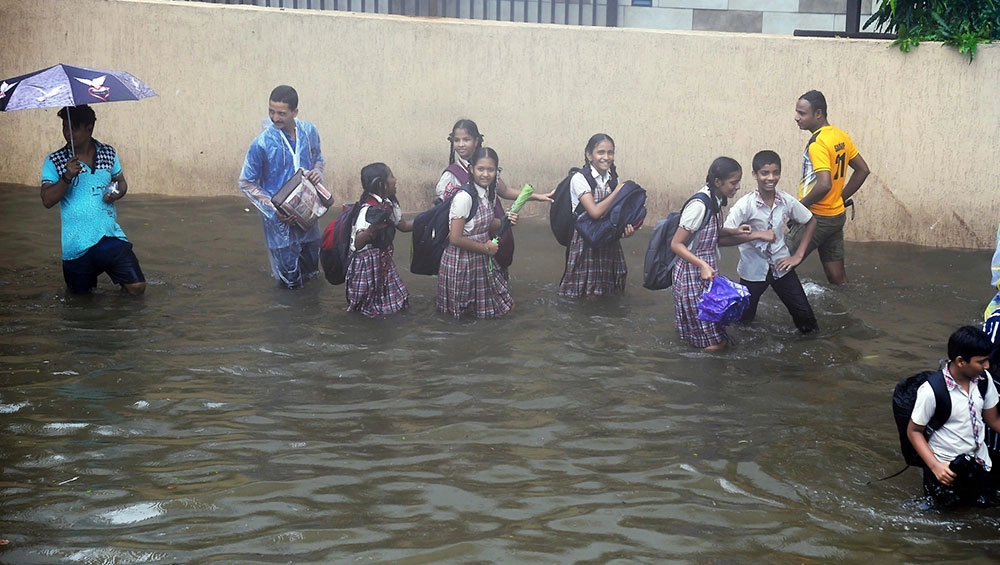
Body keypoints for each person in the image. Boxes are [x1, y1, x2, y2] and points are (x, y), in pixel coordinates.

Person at [39, 105, 146, 296]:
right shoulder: (54, 160)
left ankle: (117, 325)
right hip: (76, 246)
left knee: (136, 287)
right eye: (64, 127)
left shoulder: (108, 153)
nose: (67, 133)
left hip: (109, 236)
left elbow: (120, 183)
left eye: (74, 128)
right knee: (81, 304)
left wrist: (115, 192)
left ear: (89, 128)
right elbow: (47, 200)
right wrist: (66, 176)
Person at [239, 85, 327, 289]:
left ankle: (308, 319)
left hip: (307, 212)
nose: (275, 118)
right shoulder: (262, 143)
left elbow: (318, 159)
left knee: (312, 274)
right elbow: (246, 182)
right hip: (279, 220)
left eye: (281, 113)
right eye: (271, 111)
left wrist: (317, 172)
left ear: (295, 112)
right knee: (289, 283)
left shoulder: (309, 131)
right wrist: (273, 208)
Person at [721, 150, 818, 333]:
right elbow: (723, 237)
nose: (770, 178)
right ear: (755, 175)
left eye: (775, 172)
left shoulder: (785, 200)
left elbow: (811, 221)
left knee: (807, 322)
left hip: (782, 266)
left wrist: (798, 255)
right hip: (753, 271)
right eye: (765, 173)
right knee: (744, 324)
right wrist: (757, 235)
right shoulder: (745, 205)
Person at [909, 326, 1000, 508]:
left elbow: (993, 420)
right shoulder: (932, 391)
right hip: (946, 470)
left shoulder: (984, 381)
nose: (987, 366)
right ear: (960, 361)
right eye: (981, 362)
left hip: (980, 464)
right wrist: (935, 466)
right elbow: (914, 431)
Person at [787, 90, 870, 285]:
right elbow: (863, 170)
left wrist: (797, 209)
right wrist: (839, 199)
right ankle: (844, 313)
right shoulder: (840, 136)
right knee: (838, 279)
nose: (797, 118)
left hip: (815, 218)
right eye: (797, 112)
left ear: (818, 114)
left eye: (802, 113)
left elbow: (824, 184)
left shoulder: (818, 143)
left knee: (774, 267)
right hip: (836, 217)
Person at [669, 157, 751, 351]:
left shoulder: (715, 200)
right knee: (713, 342)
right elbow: (676, 244)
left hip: (705, 275)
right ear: (717, 182)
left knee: (710, 332)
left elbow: (708, 231)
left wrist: (733, 231)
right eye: (734, 182)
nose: (737, 187)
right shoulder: (699, 205)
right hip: (692, 276)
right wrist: (703, 265)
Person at [436, 147, 516, 319]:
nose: (485, 174)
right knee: (464, 315)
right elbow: (455, 238)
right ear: (471, 170)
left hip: (481, 258)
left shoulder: (486, 192)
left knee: (498, 308)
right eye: (481, 169)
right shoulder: (464, 198)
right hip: (462, 262)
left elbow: (484, 224)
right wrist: (485, 249)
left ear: (497, 172)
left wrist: (505, 221)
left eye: (491, 170)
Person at [557, 133, 638, 298]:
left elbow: (615, 215)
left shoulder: (613, 179)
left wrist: (627, 230)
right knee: (581, 294)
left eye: (610, 153)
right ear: (589, 155)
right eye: (601, 152)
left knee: (608, 292)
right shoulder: (580, 179)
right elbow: (594, 212)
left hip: (608, 242)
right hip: (585, 242)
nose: (606, 157)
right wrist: (618, 191)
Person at [345, 163, 413, 318]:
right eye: (391, 176)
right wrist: (371, 230)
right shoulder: (368, 210)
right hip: (366, 265)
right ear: (381, 184)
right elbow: (357, 243)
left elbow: (402, 225)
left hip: (384, 262)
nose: (395, 180)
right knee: (364, 309)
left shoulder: (389, 204)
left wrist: (430, 218)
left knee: (399, 301)